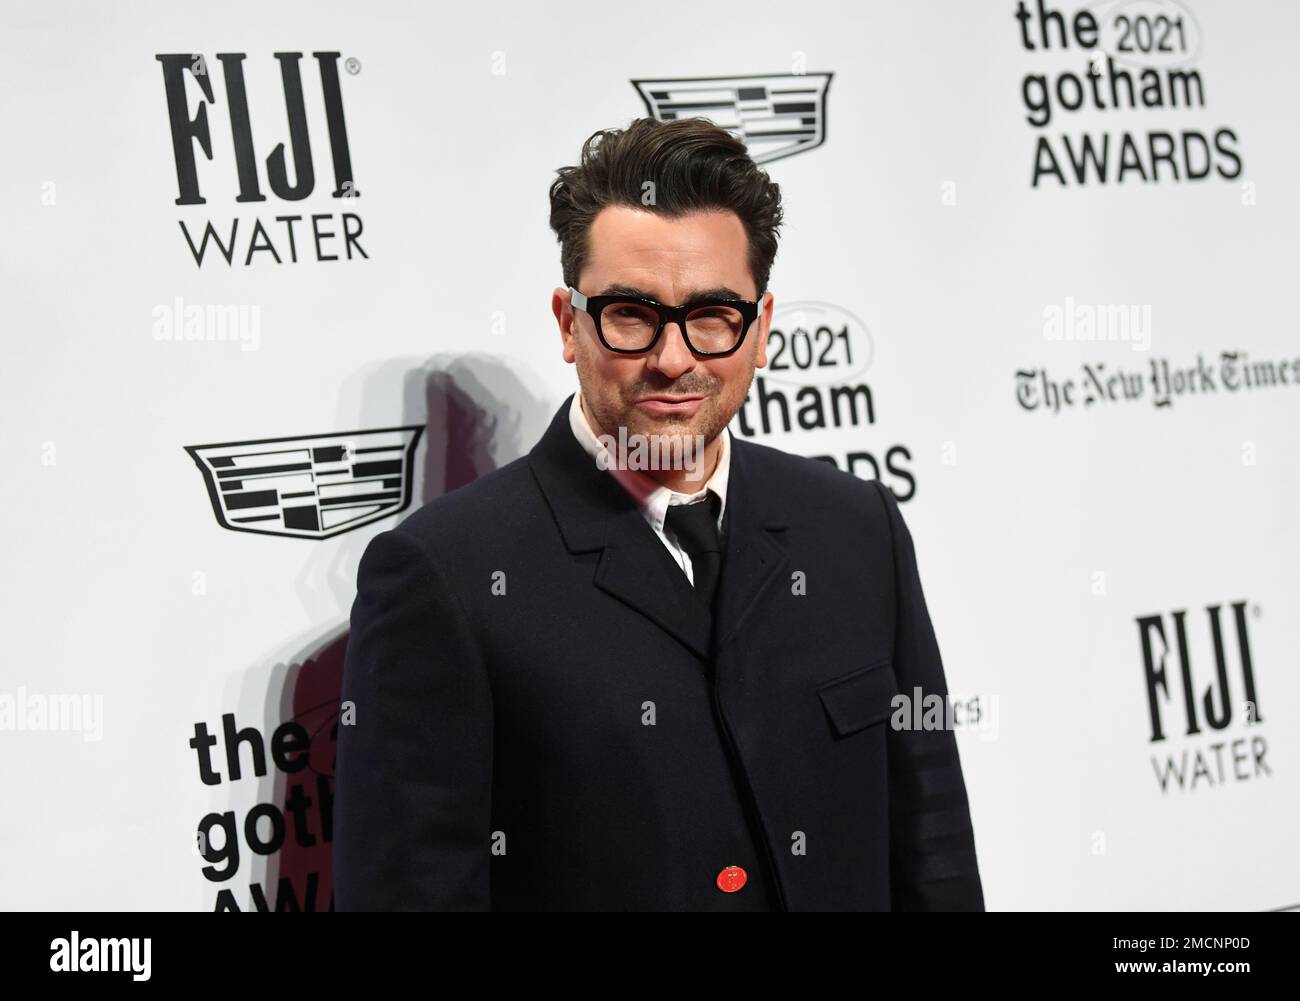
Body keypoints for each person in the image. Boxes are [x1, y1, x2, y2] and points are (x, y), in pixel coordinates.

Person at [333, 116, 984, 911]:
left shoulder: (857, 529)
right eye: (632, 313)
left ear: (763, 327)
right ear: (569, 324)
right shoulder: (450, 578)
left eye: (713, 314)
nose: (674, 358)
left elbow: (934, 850)